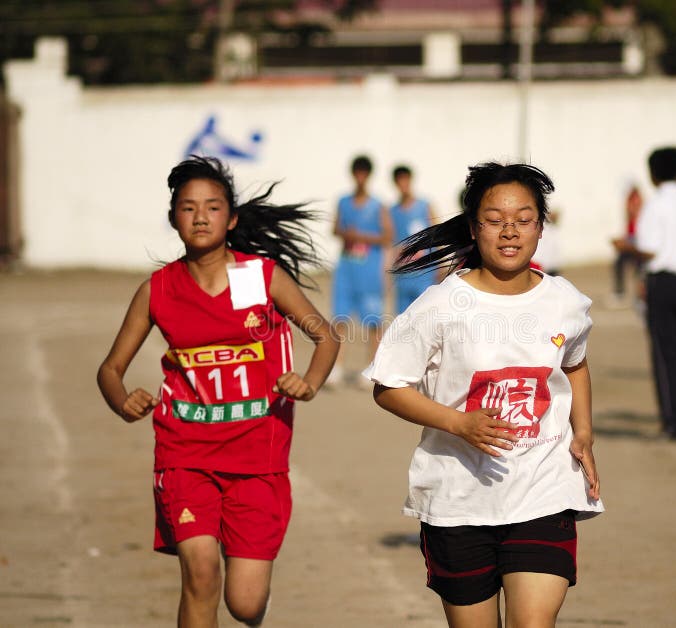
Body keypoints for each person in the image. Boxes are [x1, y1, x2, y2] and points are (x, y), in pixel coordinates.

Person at [96, 156, 340, 626]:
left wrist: (308, 383)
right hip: (184, 454)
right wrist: (122, 400)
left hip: (258, 458)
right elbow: (110, 369)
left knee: (244, 604)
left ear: (231, 219)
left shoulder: (260, 277)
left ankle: (251, 592)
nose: (201, 217)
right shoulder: (158, 290)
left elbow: (325, 336)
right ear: (173, 218)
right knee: (201, 572)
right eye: (188, 208)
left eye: (212, 207)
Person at [363, 162, 603, 628]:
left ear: (541, 226)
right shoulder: (440, 305)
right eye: (494, 220)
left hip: (544, 491)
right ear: (474, 228)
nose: (510, 231)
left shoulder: (564, 301)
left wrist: (584, 433)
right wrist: (458, 423)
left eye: (524, 219)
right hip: (458, 502)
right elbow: (388, 386)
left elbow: (575, 364)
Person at [622, 147, 676, 441]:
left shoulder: (655, 205)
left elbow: (649, 250)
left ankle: (674, 423)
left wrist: (625, 248)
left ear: (653, 174)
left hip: (664, 284)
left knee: (665, 355)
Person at [330, 155, 393, 386]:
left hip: (369, 270)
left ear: (368, 175)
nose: (360, 178)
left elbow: (387, 236)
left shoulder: (378, 205)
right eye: (357, 173)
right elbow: (335, 228)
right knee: (339, 318)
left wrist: (362, 237)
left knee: (373, 321)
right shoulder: (343, 202)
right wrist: (346, 234)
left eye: (363, 173)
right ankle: (336, 366)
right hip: (347, 267)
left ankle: (372, 367)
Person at [389, 164, 437, 313]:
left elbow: (438, 235)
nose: (403, 184)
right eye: (399, 180)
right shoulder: (392, 212)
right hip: (404, 275)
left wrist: (441, 266)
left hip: (425, 273)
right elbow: (389, 243)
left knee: (425, 314)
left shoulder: (424, 206)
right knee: (404, 317)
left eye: (405, 179)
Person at [609, 180, 643, 306]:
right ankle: (620, 292)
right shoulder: (631, 210)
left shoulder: (641, 209)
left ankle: (640, 295)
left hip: (638, 242)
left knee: (639, 269)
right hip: (631, 240)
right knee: (619, 264)